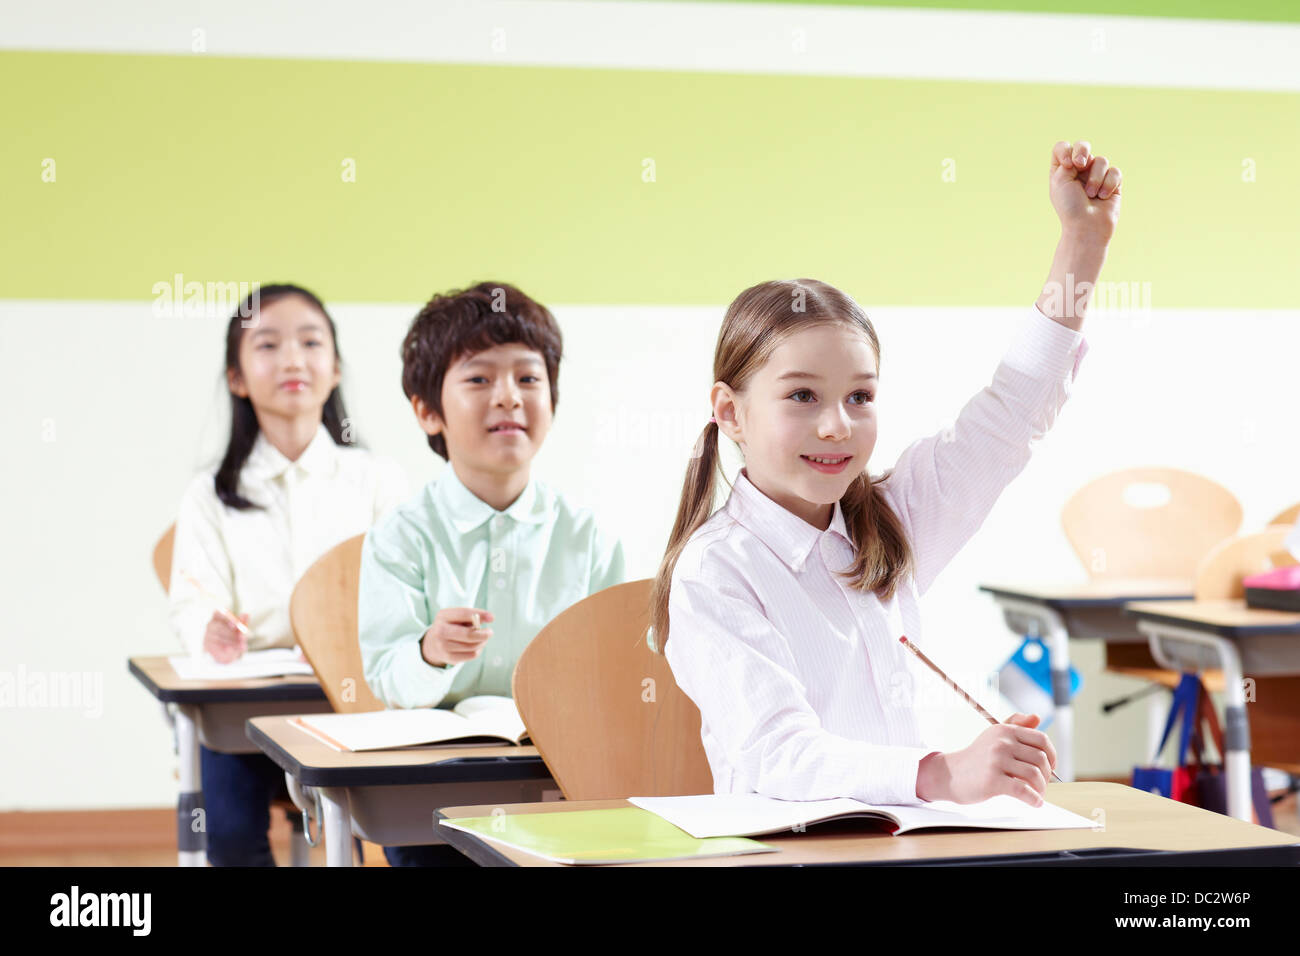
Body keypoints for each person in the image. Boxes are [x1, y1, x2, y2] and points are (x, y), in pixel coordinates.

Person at [650, 140, 1122, 809]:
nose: (838, 425)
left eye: (860, 397)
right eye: (802, 396)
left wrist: (1084, 240)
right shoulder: (714, 572)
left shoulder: (891, 521)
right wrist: (942, 774)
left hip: (915, 843)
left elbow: (1011, 414)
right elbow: (779, 754)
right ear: (730, 412)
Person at [359, 281, 625, 865]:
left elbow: (619, 665)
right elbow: (385, 674)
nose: (508, 396)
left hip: (554, 771)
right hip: (431, 780)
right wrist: (429, 651)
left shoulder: (588, 536)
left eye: (528, 379)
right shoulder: (401, 534)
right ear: (428, 412)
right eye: (479, 379)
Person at [169, 283, 408, 865]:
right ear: (237, 378)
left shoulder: (377, 480)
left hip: (350, 700)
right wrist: (210, 629)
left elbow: (404, 596)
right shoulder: (211, 494)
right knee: (226, 830)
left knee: (398, 824)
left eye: (310, 342)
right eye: (268, 345)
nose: (293, 359)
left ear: (335, 369)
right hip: (246, 709)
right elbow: (190, 600)